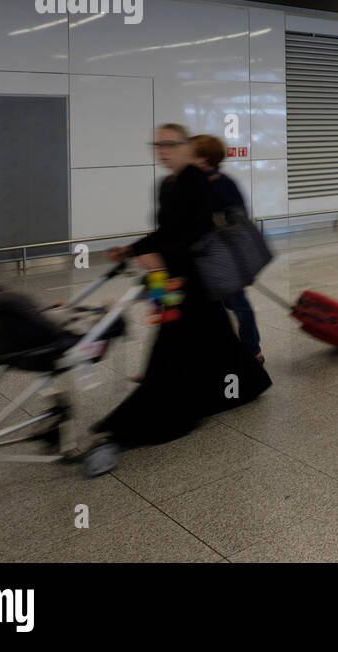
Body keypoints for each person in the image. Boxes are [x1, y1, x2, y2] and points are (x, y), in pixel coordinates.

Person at [97, 124, 271, 447]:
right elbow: (166, 230)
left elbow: (193, 231)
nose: (163, 151)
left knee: (175, 341)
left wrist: (153, 255)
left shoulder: (196, 181)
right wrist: (133, 250)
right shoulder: (168, 184)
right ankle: (246, 384)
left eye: (170, 144)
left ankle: (163, 407)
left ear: (186, 148)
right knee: (214, 335)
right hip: (179, 274)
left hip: (192, 276)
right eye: (158, 145)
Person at [188, 134, 264, 364]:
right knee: (224, 304)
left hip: (225, 258)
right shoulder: (197, 184)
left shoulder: (222, 184)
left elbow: (239, 221)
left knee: (237, 303)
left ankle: (252, 350)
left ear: (203, 158)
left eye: (191, 154)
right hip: (206, 258)